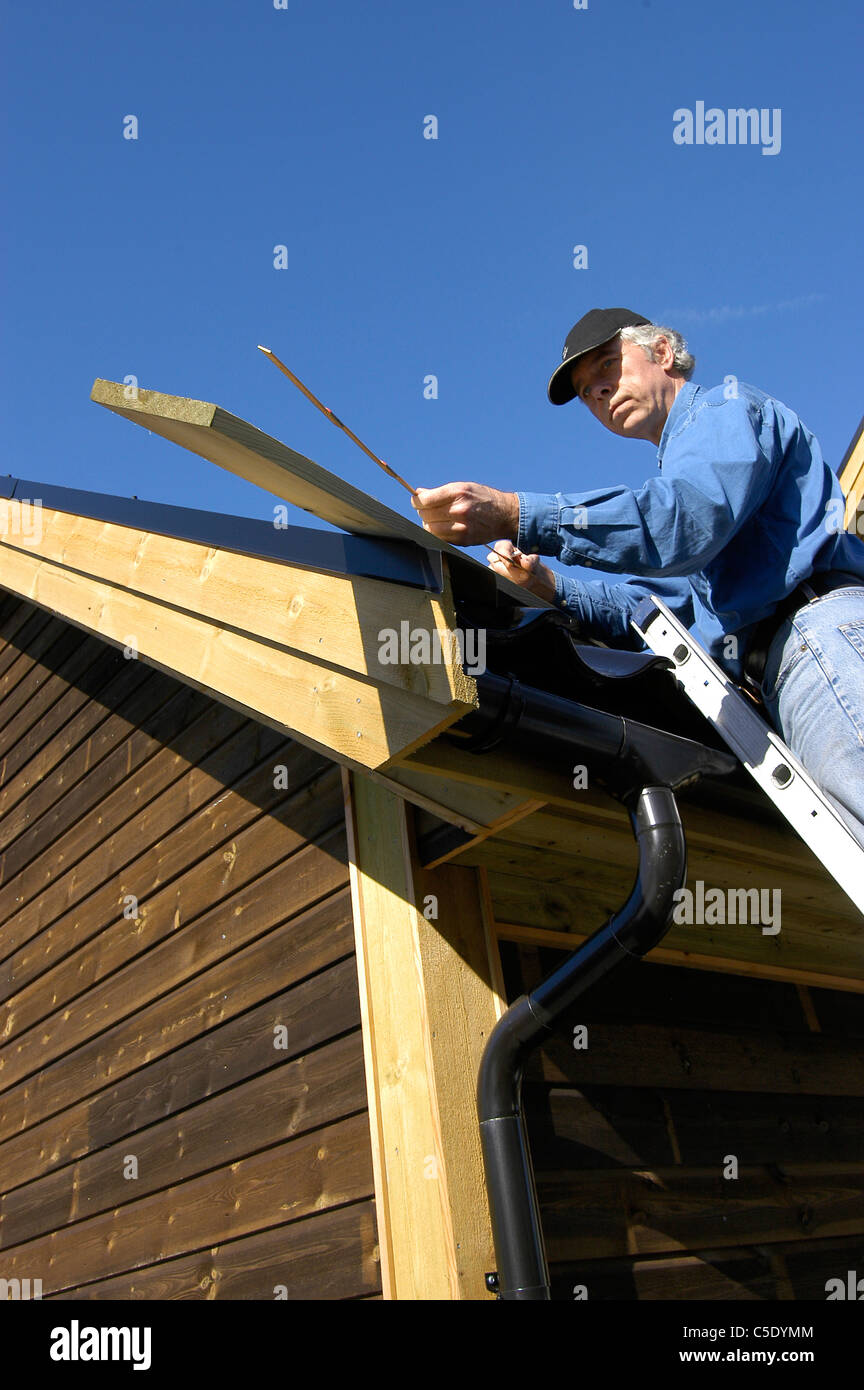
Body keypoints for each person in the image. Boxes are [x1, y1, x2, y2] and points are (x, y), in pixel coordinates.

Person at [410, 306, 864, 845]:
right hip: (789, 673)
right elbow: (655, 611)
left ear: (664, 353)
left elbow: (683, 520)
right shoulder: (689, 481)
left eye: (607, 366)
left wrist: (518, 515)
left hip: (820, 640)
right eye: (585, 392)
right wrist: (550, 588)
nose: (599, 392)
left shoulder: (723, 411)